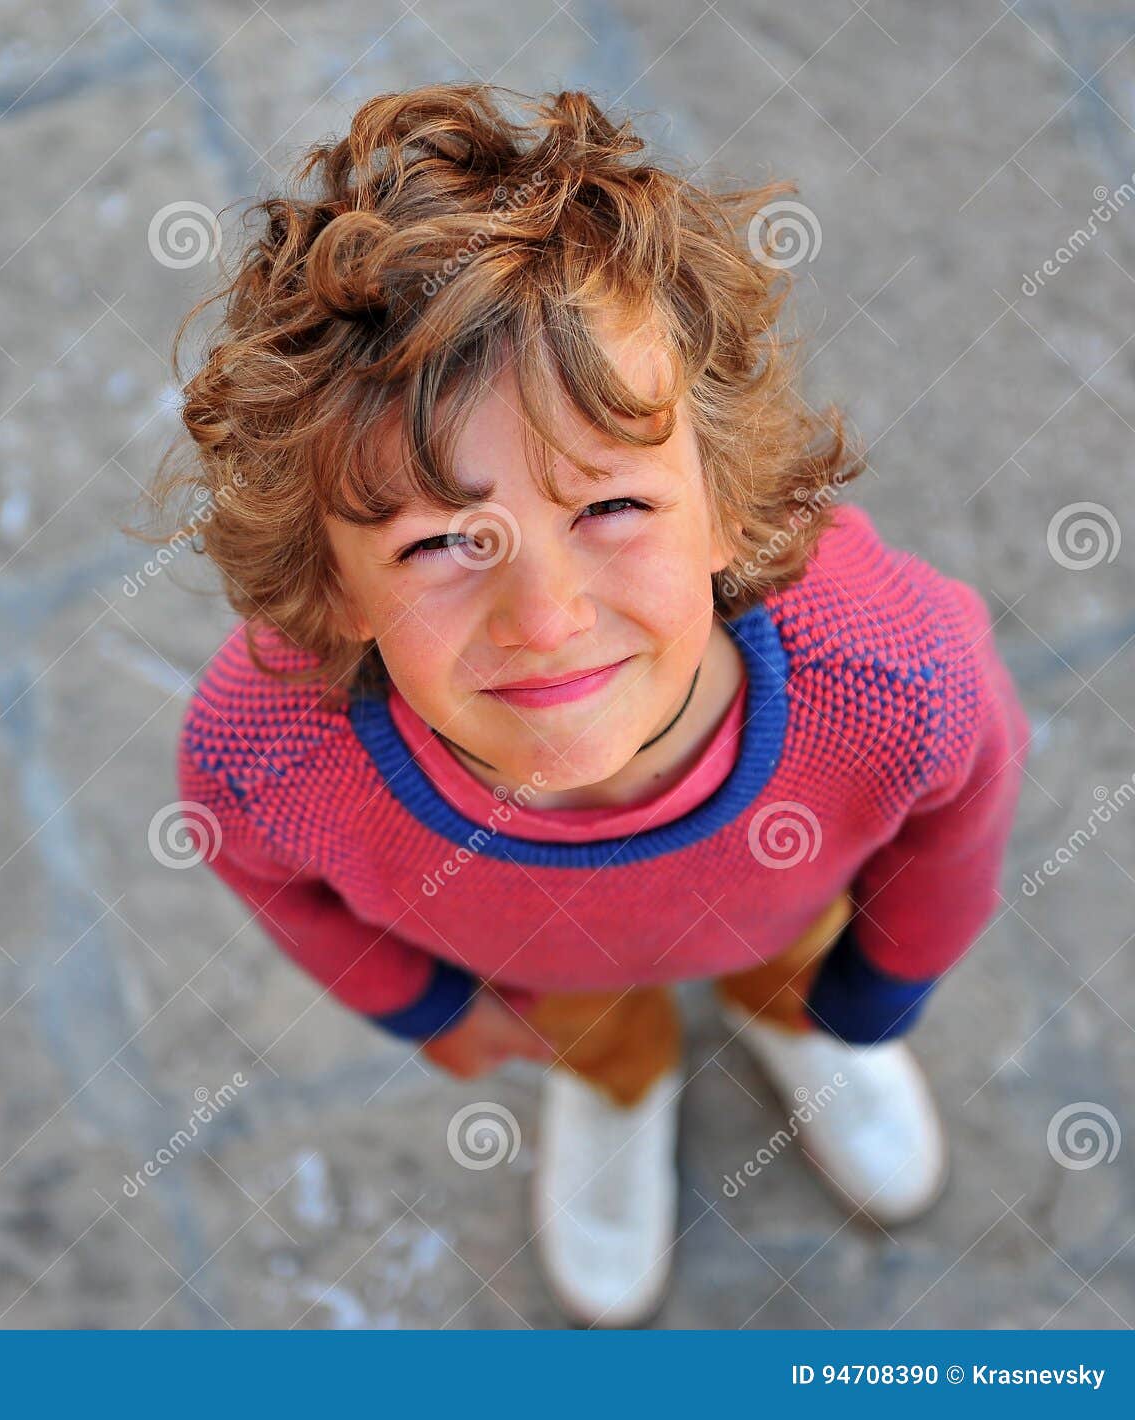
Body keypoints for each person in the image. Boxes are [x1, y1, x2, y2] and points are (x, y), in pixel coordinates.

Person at [142, 81, 1031, 1327]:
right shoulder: (267, 753)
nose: (545, 618)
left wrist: (882, 983)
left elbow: (967, 800)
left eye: (611, 506)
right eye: (440, 542)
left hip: (785, 905)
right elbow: (263, 870)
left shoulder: (889, 670)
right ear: (330, 588)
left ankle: (802, 1024)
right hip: (546, 971)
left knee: (794, 967)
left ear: (731, 505)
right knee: (594, 1024)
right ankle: (620, 1079)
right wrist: (425, 1008)